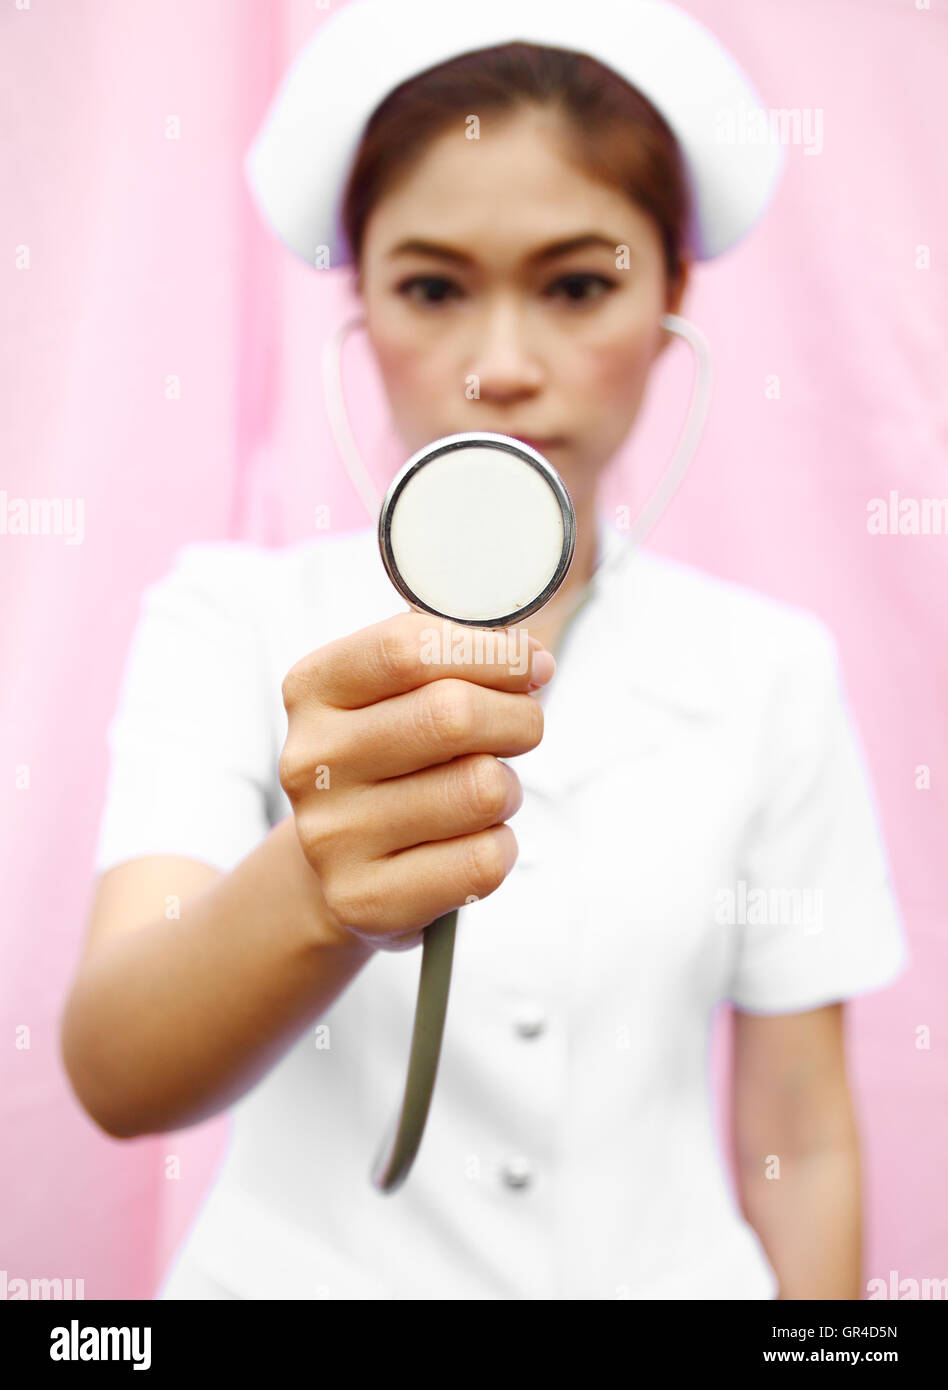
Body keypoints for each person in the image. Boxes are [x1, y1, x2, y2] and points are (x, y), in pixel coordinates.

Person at [60, 0, 909, 1300]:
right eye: (433, 287)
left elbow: (802, 1127)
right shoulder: (224, 619)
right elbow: (118, 1070)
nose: (501, 367)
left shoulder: (772, 668)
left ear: (676, 292)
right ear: (360, 306)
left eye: (579, 284)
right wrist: (314, 888)